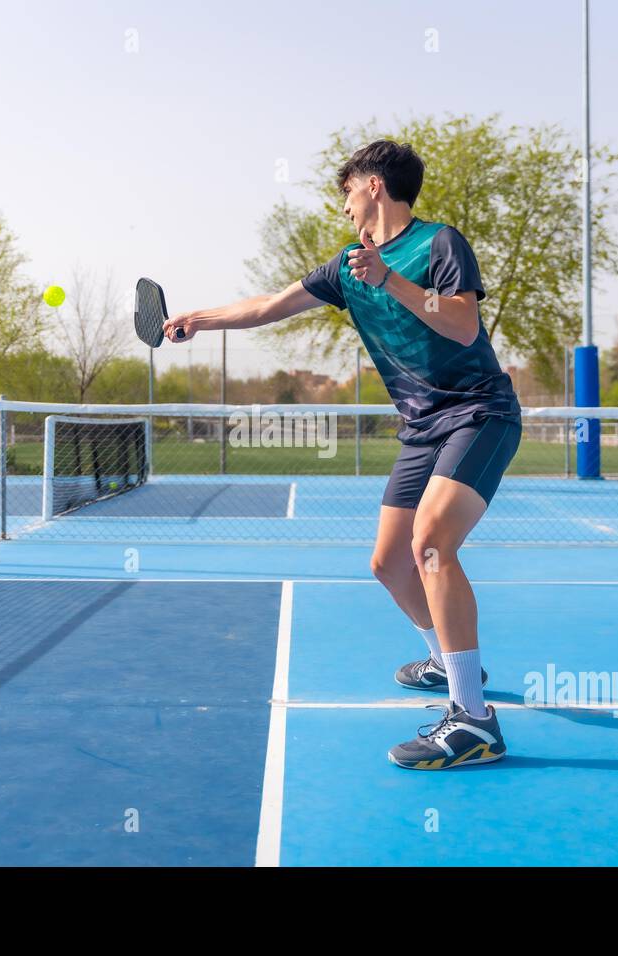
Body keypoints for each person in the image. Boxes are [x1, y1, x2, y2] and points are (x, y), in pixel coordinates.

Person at [163, 140, 522, 770]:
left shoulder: (438, 244)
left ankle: (475, 721)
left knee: (432, 543)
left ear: (374, 186)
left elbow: (463, 325)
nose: (345, 205)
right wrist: (202, 317)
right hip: (420, 427)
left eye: (348, 191)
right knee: (389, 564)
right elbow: (271, 305)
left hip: (477, 411)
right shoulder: (344, 266)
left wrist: (390, 280)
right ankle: (448, 659)